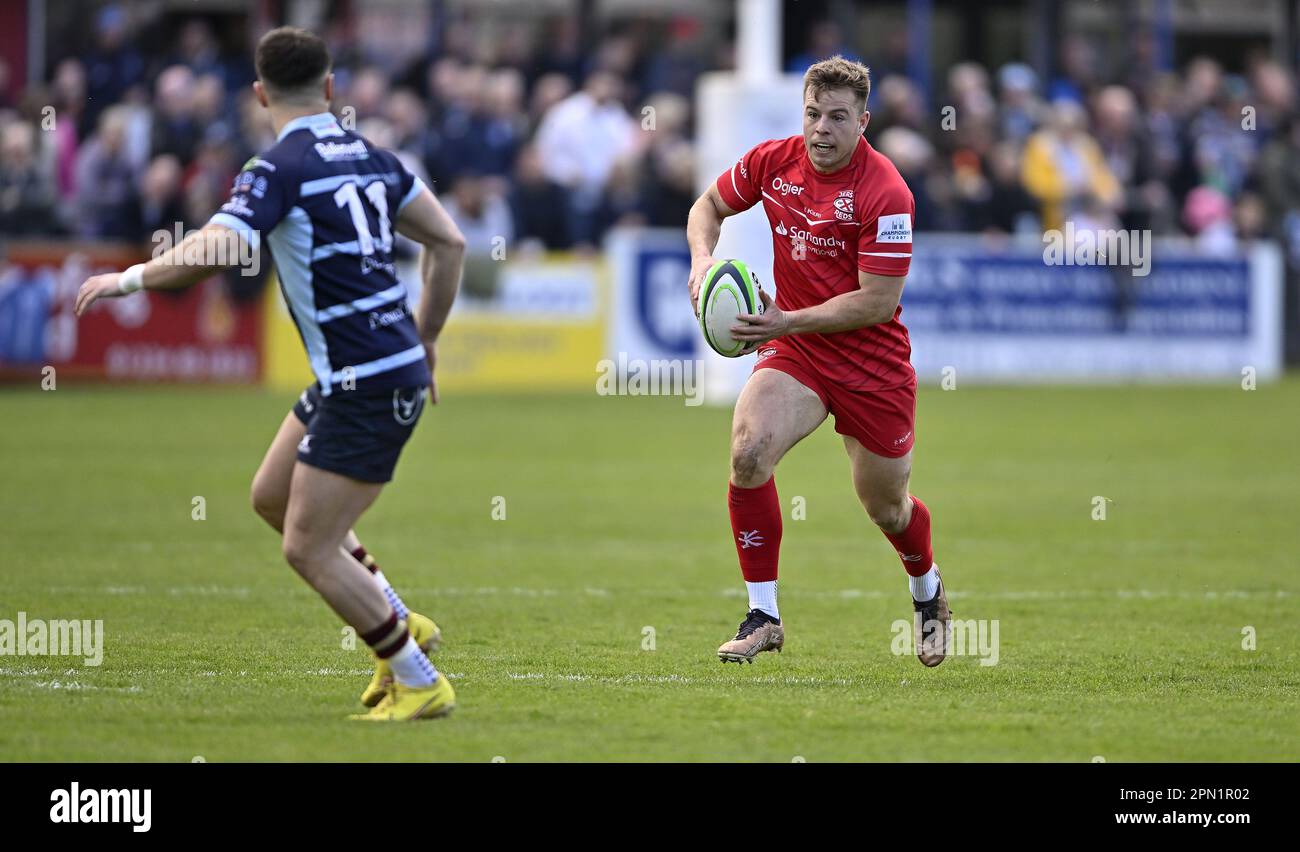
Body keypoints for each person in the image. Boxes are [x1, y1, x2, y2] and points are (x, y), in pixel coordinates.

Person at [74, 27, 467, 720]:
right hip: (368, 367)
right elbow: (450, 240)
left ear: (260, 94)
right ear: (331, 87)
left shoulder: (277, 168)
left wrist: (132, 278)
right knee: (271, 495)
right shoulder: (373, 155)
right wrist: (427, 338)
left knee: (308, 548)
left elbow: (220, 246)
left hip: (365, 378)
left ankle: (414, 672)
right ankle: (404, 619)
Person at [685, 56, 952, 667]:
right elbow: (707, 208)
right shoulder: (772, 162)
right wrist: (702, 261)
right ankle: (763, 614)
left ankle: (926, 587)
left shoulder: (887, 191)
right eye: (812, 114)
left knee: (886, 506)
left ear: (864, 120)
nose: (821, 129)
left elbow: (878, 302)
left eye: (837, 117)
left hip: (871, 362)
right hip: (798, 352)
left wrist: (785, 319)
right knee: (749, 450)